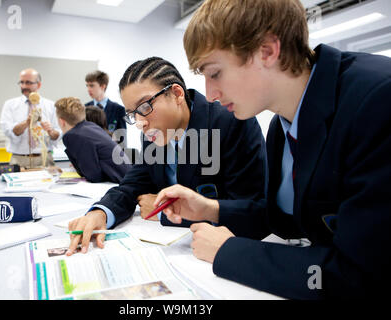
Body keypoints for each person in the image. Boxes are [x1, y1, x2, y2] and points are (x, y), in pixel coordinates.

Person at [153, 0, 391, 299]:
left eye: (214, 73)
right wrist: (210, 208)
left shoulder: (378, 100)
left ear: (267, 50)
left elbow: (360, 276)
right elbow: (287, 220)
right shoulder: (282, 124)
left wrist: (230, 253)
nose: (210, 95)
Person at [66, 56, 267, 256]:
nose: (139, 123)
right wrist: (100, 212)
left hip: (221, 251)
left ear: (177, 94)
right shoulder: (153, 134)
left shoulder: (231, 122)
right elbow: (131, 185)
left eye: (145, 107)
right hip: (170, 247)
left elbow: (253, 211)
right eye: (132, 114)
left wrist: (166, 213)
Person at [55, 97, 131, 183]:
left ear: (61, 121)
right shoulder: (90, 126)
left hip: (118, 184)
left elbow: (93, 176)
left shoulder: (73, 135)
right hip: (125, 178)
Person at [0, 68, 61, 169]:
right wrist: (26, 123)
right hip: (19, 159)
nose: (24, 86)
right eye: (21, 82)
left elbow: (58, 134)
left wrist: (50, 131)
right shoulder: (10, 105)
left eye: (28, 83)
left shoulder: (51, 106)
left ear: (39, 85)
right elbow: (8, 131)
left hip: (45, 158)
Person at [84, 70, 127, 145]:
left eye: (91, 85)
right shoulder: (84, 108)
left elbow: (122, 139)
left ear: (103, 86)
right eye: (87, 86)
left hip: (111, 153)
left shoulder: (118, 109)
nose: (88, 89)